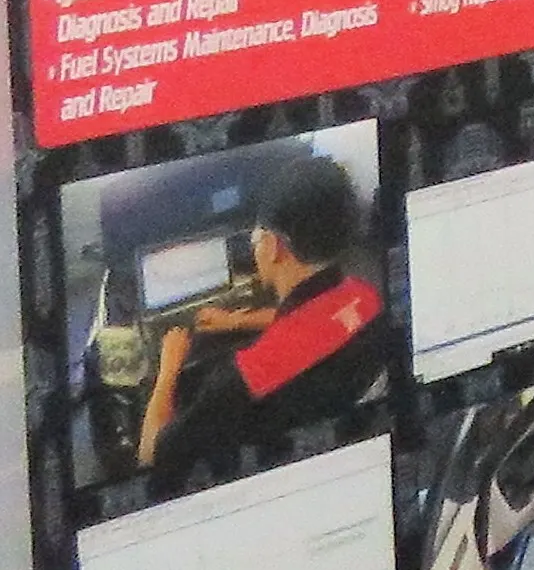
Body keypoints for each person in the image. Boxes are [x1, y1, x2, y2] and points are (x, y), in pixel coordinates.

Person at [138, 156, 387, 481]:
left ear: (273, 246)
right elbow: (315, 320)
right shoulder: (367, 297)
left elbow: (150, 456)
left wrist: (168, 368)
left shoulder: (239, 381)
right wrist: (236, 321)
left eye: (255, 239)